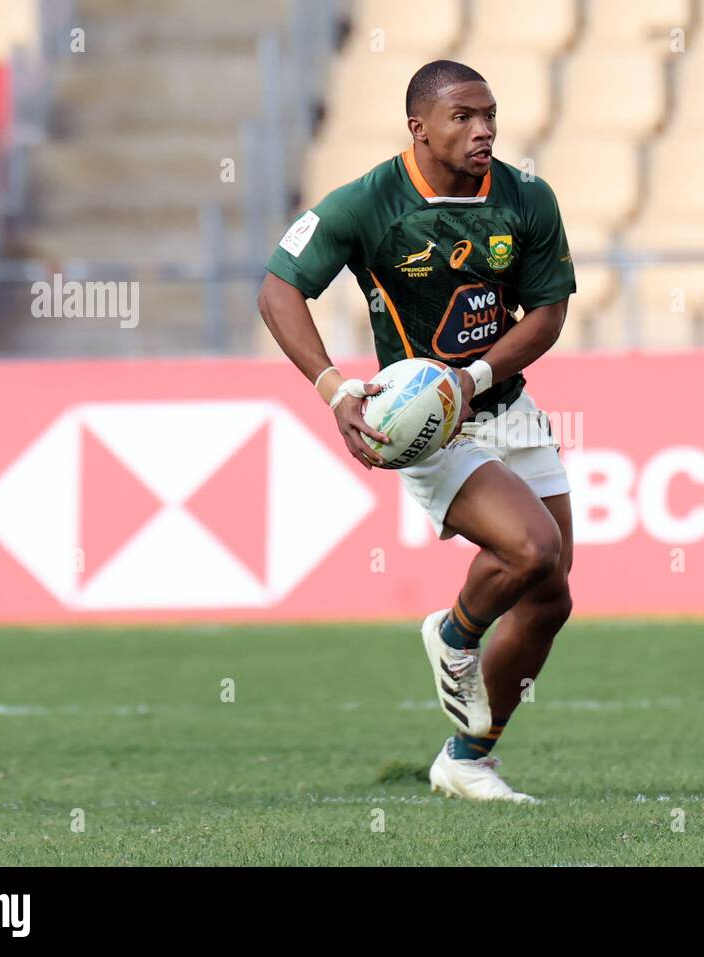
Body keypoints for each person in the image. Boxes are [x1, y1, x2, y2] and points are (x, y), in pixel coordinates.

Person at [258, 60, 576, 803]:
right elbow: (279, 288)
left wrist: (474, 378)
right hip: (426, 422)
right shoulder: (370, 202)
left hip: (502, 404)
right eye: (463, 116)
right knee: (531, 547)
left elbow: (548, 315)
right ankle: (456, 634)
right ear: (419, 128)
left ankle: (466, 759)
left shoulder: (527, 198)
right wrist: (334, 388)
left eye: (490, 114)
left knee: (551, 596)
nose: (484, 129)